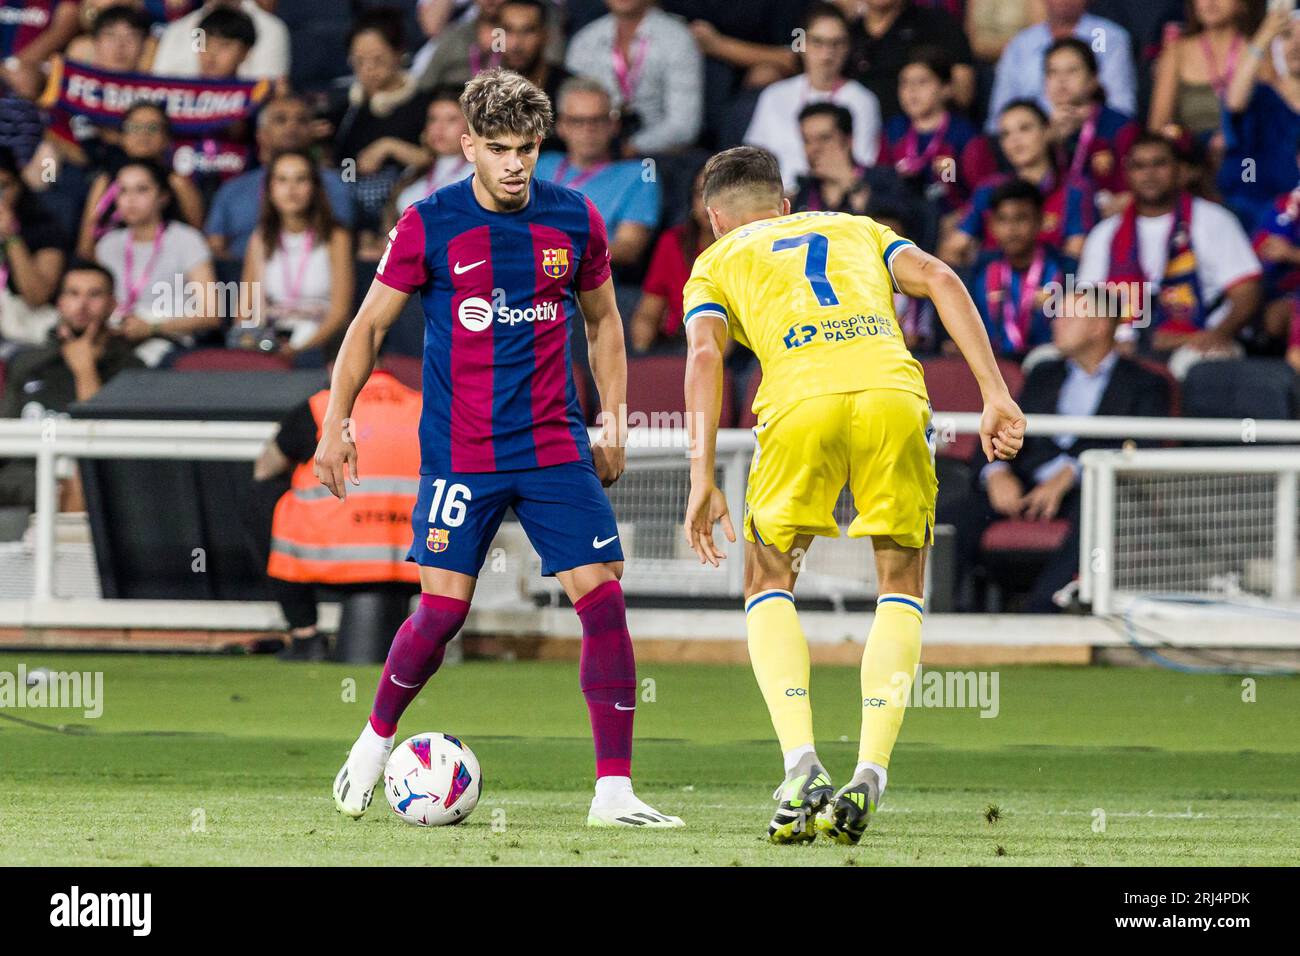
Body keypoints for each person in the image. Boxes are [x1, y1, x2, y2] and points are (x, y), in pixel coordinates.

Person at [317, 69, 683, 829]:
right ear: (467, 144)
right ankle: (375, 740)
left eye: (527, 148)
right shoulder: (428, 223)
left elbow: (606, 322)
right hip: (460, 453)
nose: (516, 164)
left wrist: (612, 420)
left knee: (604, 597)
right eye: (500, 148)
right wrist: (335, 423)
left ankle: (613, 792)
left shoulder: (577, 219)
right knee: (443, 613)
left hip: (552, 446)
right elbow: (367, 328)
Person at [680, 146, 1025, 844]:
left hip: (799, 400)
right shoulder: (856, 226)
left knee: (768, 576)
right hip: (894, 395)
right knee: (900, 583)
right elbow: (939, 276)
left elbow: (705, 355)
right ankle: (870, 771)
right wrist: (995, 393)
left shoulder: (715, 261)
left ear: (716, 218)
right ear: (783, 205)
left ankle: (801, 761)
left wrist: (701, 475)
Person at [940, 288, 1171, 612]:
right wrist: (996, 473)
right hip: (1024, 486)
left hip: (1090, 493)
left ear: (1099, 325)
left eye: (1069, 316)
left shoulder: (1145, 383)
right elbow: (1002, 424)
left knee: (1098, 516)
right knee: (952, 516)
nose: (1056, 324)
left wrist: (1073, 473)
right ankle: (938, 613)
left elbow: (1141, 447)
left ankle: (1042, 618)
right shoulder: (1043, 374)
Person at [248, 355, 422, 661]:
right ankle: (428, 641)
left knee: (270, 499)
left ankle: (306, 636)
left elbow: (265, 469)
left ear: (333, 368)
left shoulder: (320, 407)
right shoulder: (424, 406)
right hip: (416, 559)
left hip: (330, 553)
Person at [1076, 132, 1263, 360]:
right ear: (1127, 174)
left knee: (1195, 361)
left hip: (1197, 341)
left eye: (1159, 164)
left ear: (1180, 171)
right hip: (1121, 347)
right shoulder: (1105, 233)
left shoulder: (1215, 220)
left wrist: (1216, 334)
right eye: (1139, 166)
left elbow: (1247, 293)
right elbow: (1086, 304)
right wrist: (1109, 344)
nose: (1149, 174)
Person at [0, 261, 142, 510]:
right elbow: (6, 434)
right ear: (60, 303)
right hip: (26, 478)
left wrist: (85, 371)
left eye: (94, 295)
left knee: (84, 485)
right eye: (73, 293)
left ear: (113, 304)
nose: (82, 305)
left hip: (95, 482)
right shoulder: (29, 363)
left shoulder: (131, 369)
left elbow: (108, 448)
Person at [320, 9, 430, 250]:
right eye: (359, 61)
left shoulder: (423, 105)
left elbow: (436, 159)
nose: (368, 68)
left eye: (378, 59)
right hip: (350, 212)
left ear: (399, 53)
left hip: (401, 212)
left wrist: (389, 146)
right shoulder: (348, 109)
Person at [93, 159, 219, 366]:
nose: (130, 199)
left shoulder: (186, 239)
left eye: (141, 189)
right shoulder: (107, 245)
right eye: (123, 190)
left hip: (170, 339)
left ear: (163, 196)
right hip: (117, 336)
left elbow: (211, 315)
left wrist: (152, 327)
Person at [743, 3, 880, 193]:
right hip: (776, 204)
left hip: (833, 203)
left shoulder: (863, 100)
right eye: (818, 42)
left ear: (848, 47)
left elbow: (863, 165)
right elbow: (754, 161)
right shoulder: (774, 96)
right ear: (802, 44)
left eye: (836, 43)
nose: (827, 54)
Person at [205, 95, 355, 261]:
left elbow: (343, 243)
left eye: (302, 120)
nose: (292, 127)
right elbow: (215, 247)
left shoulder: (334, 185)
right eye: (280, 120)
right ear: (261, 135)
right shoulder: (233, 190)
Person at [534, 77, 661, 271]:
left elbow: (629, 248)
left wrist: (564, 253)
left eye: (598, 120)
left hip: (591, 283)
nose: (588, 130)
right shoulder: (543, 163)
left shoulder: (638, 175)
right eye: (577, 121)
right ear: (561, 126)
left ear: (613, 125)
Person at [945, 100, 1093, 265]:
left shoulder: (1074, 189)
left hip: (1051, 285)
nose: (1015, 140)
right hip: (994, 286)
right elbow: (953, 249)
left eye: (1025, 128)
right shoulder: (989, 189)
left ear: (1048, 131)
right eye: (1006, 134)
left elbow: (1074, 254)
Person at [240, 150, 354, 365]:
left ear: (314, 187)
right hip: (271, 339)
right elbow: (246, 311)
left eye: (300, 179)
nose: (291, 189)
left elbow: (340, 313)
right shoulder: (260, 238)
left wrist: (297, 350)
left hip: (321, 342)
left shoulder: (336, 237)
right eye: (282, 180)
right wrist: (258, 342)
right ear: (270, 189)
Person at [565, 0, 704, 155]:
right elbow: (572, 109)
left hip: (662, 154)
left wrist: (632, 147)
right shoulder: (584, 41)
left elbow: (683, 127)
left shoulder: (678, 39)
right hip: (595, 150)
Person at [75, 102, 206, 260]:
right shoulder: (106, 181)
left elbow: (196, 243)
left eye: (152, 128)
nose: (143, 135)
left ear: (166, 139)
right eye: (134, 127)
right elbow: (86, 245)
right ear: (122, 137)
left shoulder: (178, 184)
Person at [987, 0, 1136, 131]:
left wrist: (1085, 119)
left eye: (1072, 70)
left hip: (1096, 131)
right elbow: (999, 115)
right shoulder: (1020, 43)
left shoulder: (1108, 36)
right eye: (1052, 72)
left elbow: (1120, 105)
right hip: (1033, 137)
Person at [969, 179, 1076, 358]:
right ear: (992, 226)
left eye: (1021, 218)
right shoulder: (977, 272)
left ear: (1040, 221)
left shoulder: (1067, 270)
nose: (1011, 229)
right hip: (993, 367)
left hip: (1050, 367)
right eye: (1003, 220)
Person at [1221, 8, 1300, 228]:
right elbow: (1234, 102)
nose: (1296, 47)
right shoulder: (1260, 96)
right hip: (1256, 208)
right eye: (1286, 37)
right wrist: (1265, 34)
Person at [1044, 36, 1137, 220]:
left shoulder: (1121, 128)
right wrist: (1049, 144)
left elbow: (1135, 192)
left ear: (1093, 80)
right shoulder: (1039, 130)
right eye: (1052, 72)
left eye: (1072, 71)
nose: (1061, 80)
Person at [878, 45, 977, 216]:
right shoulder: (894, 129)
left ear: (946, 89)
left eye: (922, 82)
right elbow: (880, 182)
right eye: (905, 83)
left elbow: (980, 193)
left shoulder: (964, 134)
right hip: (902, 223)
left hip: (952, 222)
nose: (911, 91)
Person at [840, 0, 976, 118]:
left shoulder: (936, 23)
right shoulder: (844, 35)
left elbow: (963, 94)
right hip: (855, 135)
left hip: (921, 137)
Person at [630, 165, 713, 351]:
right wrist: (642, 349)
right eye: (701, 194)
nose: (708, 203)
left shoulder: (747, 245)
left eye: (718, 193)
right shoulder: (674, 241)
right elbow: (648, 311)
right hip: (679, 345)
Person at [1149, 0, 1256, 144]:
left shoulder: (1258, 53)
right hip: (1192, 159)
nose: (1210, 3)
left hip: (1247, 157)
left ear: (1242, 3)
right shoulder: (1176, 53)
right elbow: (1157, 127)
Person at [0, 147, 67, 349]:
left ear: (18, 186)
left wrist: (11, 237)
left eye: (3, 187)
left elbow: (37, 297)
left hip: (23, 338)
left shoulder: (44, 229)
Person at [385, 88, 474, 232]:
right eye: (433, 119)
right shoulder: (414, 171)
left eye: (451, 119)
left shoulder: (480, 173)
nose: (439, 128)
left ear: (471, 127)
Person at [148, 0, 290, 81]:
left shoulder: (270, 28)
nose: (211, 55)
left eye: (224, 45)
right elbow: (163, 84)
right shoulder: (177, 30)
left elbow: (266, 86)